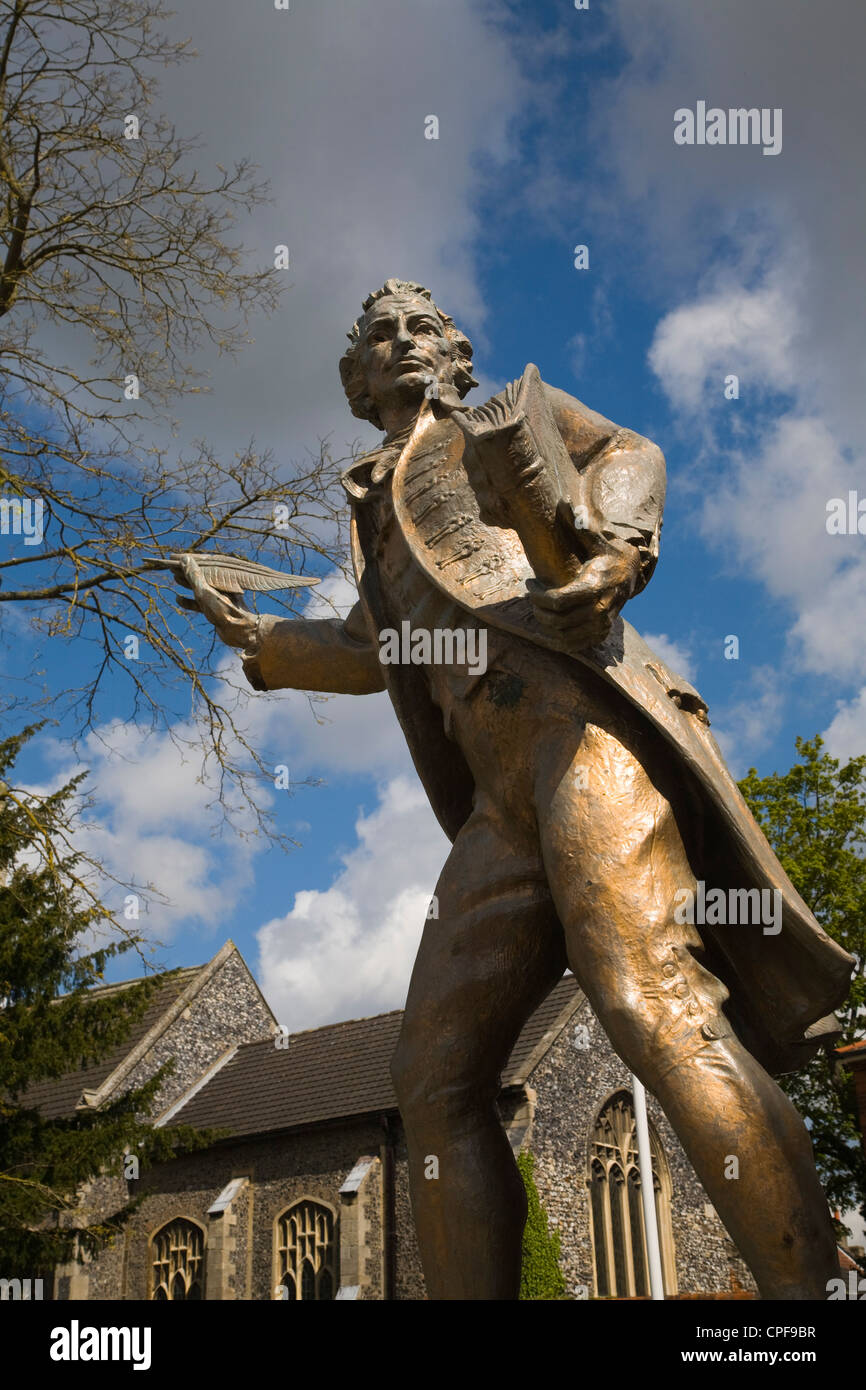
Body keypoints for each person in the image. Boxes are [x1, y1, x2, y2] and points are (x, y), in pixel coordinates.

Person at [181, 278, 853, 1300]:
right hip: (495, 802)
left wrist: (618, 551)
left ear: (452, 354)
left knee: (647, 1001)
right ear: (356, 378)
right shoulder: (372, 500)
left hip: (580, 728)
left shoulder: (494, 421)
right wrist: (260, 643)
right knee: (430, 1076)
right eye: (380, 337)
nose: (402, 343)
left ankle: (805, 1304)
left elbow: (627, 451)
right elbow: (372, 647)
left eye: (421, 329)